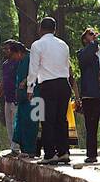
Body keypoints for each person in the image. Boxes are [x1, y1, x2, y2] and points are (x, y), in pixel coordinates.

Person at [27, 17, 73, 164]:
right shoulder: (63, 45)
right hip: (64, 85)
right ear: (55, 30)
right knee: (61, 119)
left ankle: (49, 154)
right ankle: (63, 151)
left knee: (47, 119)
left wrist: (30, 87)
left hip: (48, 85)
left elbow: (33, 68)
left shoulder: (37, 45)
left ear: (40, 29)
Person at [75, 27, 100, 164]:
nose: (94, 36)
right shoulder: (82, 54)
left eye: (95, 34)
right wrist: (94, 43)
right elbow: (86, 56)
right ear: (84, 39)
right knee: (91, 127)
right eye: (90, 34)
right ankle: (91, 154)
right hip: (91, 95)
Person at [9, 41, 40, 158]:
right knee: (22, 122)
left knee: (31, 123)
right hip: (23, 98)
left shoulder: (31, 58)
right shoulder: (21, 61)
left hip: (33, 96)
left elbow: (36, 71)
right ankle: (24, 149)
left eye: (12, 54)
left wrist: (26, 81)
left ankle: (31, 149)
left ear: (18, 52)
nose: (12, 58)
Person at [0, 39, 21, 153]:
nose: (5, 51)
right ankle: (13, 147)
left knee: (16, 124)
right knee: (9, 124)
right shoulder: (5, 64)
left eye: (7, 49)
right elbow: (3, 81)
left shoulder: (19, 63)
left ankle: (17, 147)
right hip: (7, 98)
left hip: (16, 99)